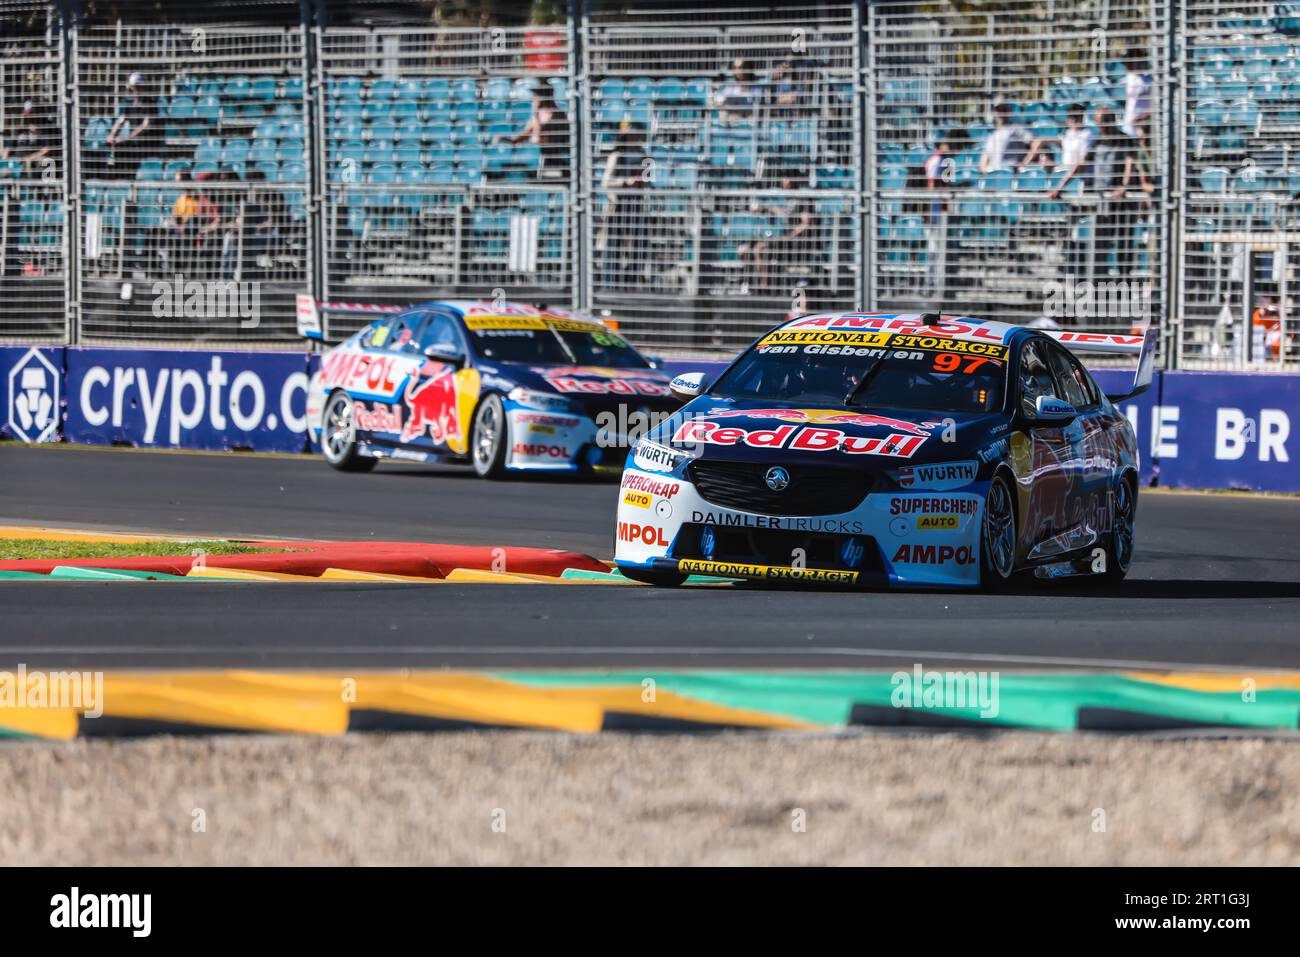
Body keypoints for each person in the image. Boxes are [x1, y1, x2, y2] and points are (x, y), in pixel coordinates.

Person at [740, 169, 813, 292]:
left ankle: (763, 287)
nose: (785, 181)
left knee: (759, 248)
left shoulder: (801, 198)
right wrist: (767, 208)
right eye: (783, 177)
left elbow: (806, 223)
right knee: (743, 250)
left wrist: (790, 234)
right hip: (766, 233)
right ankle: (747, 283)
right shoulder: (775, 194)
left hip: (784, 237)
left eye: (788, 178)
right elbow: (755, 209)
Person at [600, 123, 648, 286]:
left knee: (636, 248)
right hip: (616, 206)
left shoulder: (645, 157)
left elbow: (648, 182)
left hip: (636, 207)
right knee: (612, 246)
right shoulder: (616, 155)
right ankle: (609, 283)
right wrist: (626, 181)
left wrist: (641, 183)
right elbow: (606, 182)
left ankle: (631, 283)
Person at [503, 86, 569, 179]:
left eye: (536, 96)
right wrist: (506, 139)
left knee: (551, 185)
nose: (533, 99)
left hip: (554, 160)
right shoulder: (538, 115)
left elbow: (538, 138)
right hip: (541, 159)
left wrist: (535, 116)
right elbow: (524, 135)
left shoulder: (557, 115)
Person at [105, 73, 160, 181]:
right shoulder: (129, 105)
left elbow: (145, 125)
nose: (136, 90)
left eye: (138, 87)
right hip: (132, 143)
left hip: (147, 145)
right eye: (134, 87)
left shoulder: (151, 104)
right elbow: (120, 122)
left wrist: (127, 138)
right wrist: (112, 135)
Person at [980, 102, 1044, 173]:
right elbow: (983, 163)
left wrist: (1024, 165)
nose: (1000, 114)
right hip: (994, 178)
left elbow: (1037, 143)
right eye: (998, 111)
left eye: (1003, 110)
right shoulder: (992, 136)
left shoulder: (1016, 128)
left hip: (1011, 175)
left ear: (1008, 112)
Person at [1047, 104, 1094, 199]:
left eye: (1076, 117)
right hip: (1064, 173)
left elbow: (1080, 163)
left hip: (1077, 177)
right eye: (1071, 116)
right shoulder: (1067, 133)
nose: (1073, 120)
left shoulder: (1087, 135)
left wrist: (1060, 187)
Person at [718, 58, 758, 123]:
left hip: (749, 118)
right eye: (735, 68)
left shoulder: (756, 87)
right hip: (734, 118)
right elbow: (721, 103)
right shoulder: (729, 86)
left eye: (741, 67)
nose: (737, 71)